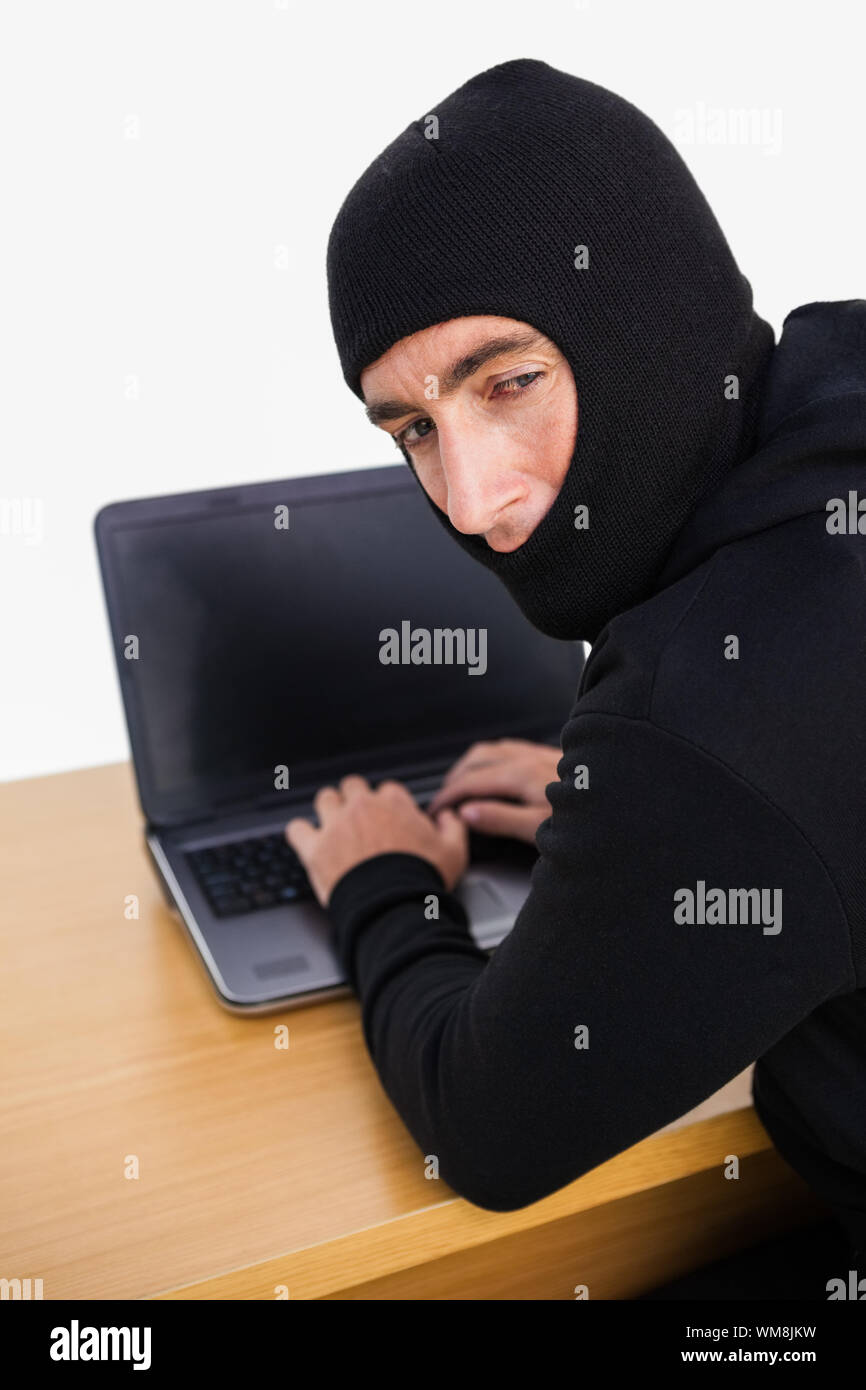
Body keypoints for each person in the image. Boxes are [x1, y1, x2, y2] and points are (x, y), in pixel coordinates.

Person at [286, 58, 866, 1296]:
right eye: (413, 430)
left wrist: (386, 884)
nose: (471, 499)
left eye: (507, 382)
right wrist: (645, 828)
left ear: (640, 316)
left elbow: (486, 1130)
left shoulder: (712, 721)